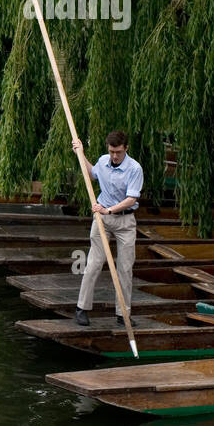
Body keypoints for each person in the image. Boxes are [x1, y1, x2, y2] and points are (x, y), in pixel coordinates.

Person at [74, 130, 144, 326]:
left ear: (126, 149)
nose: (114, 156)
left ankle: (123, 314)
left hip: (125, 222)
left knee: (125, 268)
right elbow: (92, 174)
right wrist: (80, 153)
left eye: (118, 152)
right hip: (102, 220)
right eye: (112, 151)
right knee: (94, 263)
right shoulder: (103, 161)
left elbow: (131, 199)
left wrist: (109, 210)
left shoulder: (135, 169)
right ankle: (81, 308)